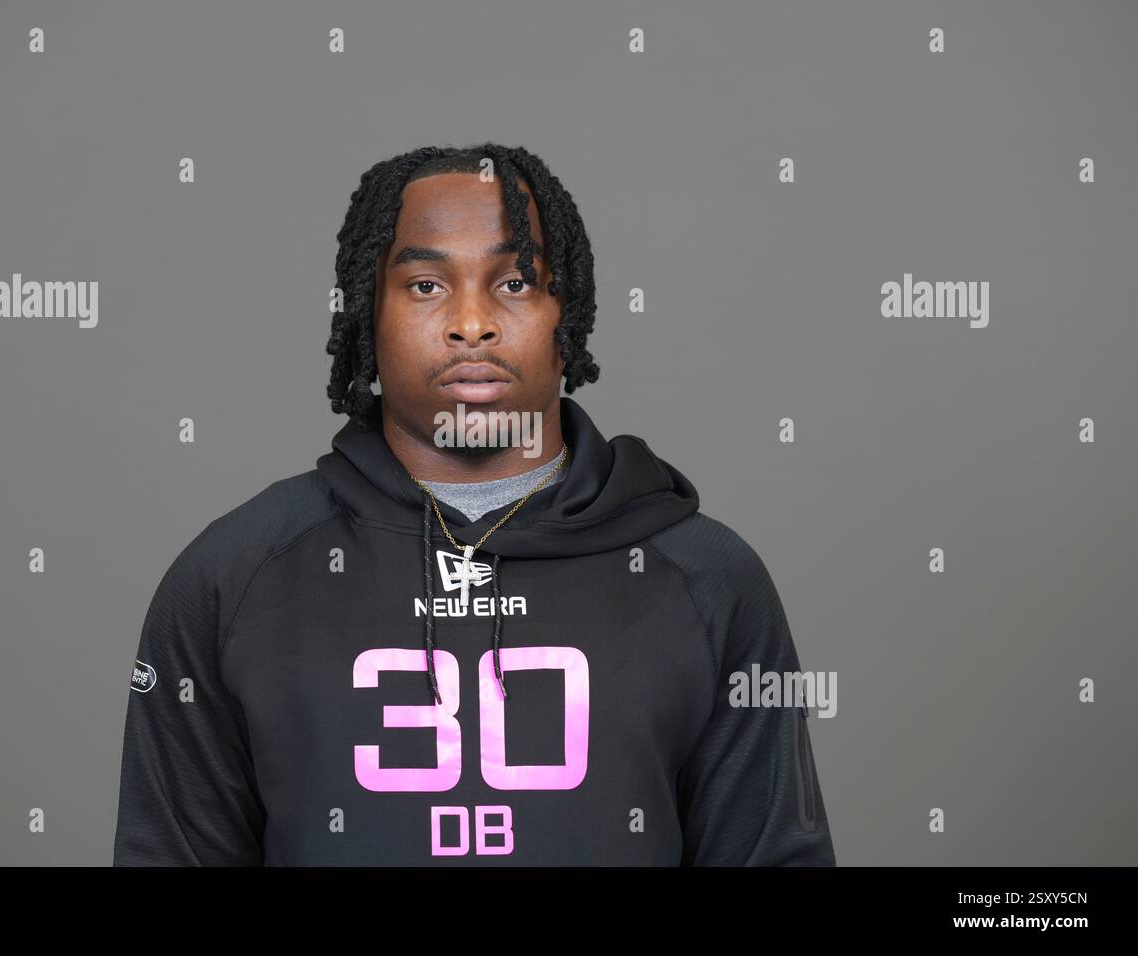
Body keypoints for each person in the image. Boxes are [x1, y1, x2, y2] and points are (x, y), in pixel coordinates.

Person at [112, 143, 835, 866]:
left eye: (515, 281)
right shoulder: (231, 579)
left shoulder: (707, 579)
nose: (471, 322)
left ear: (568, 311)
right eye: (426, 285)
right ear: (369, 313)